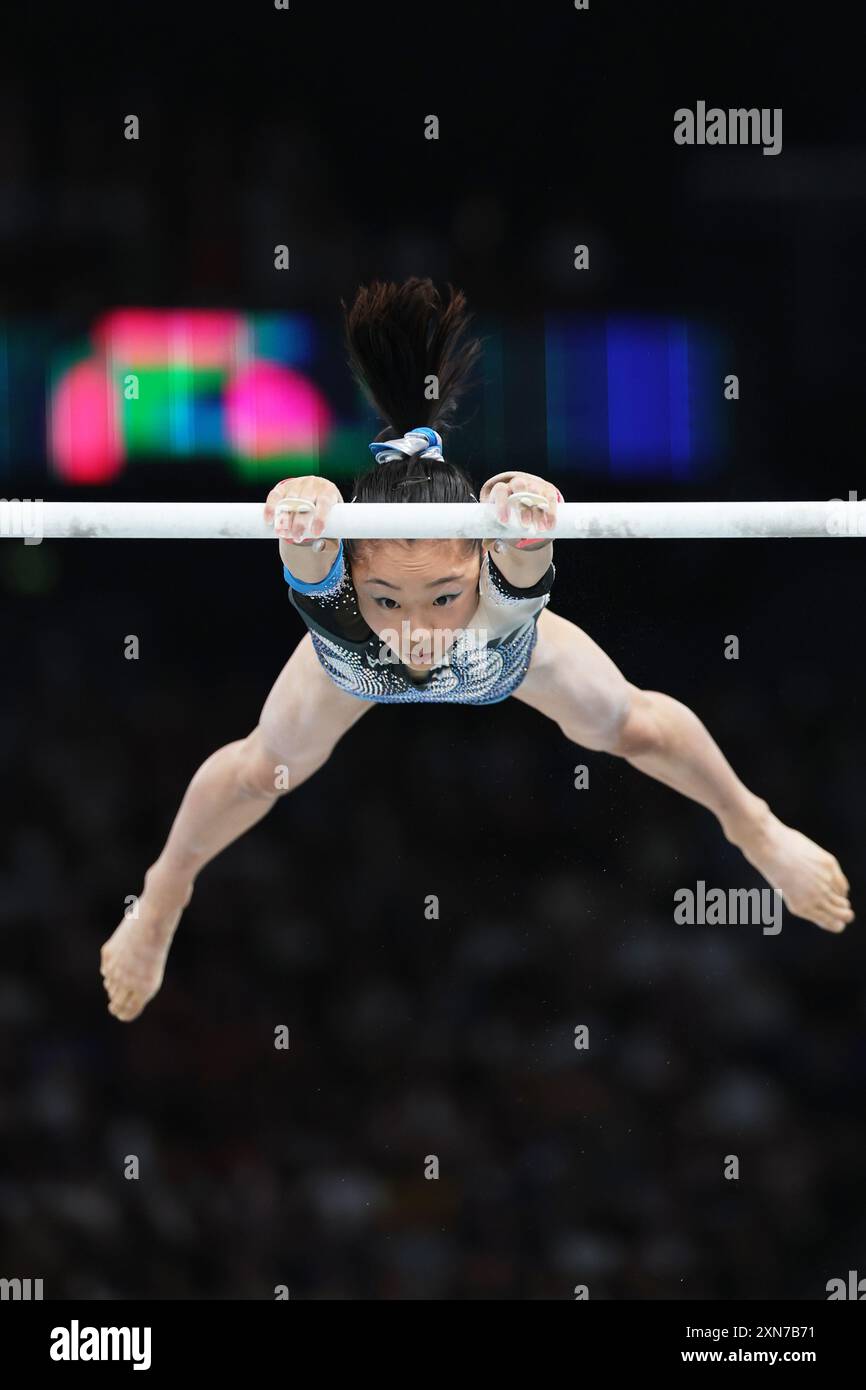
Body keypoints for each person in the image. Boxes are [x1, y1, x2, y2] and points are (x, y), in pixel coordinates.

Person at [100, 278, 853, 1022]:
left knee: (634, 727)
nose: (415, 624)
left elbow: (523, 542)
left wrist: (525, 514)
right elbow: (311, 526)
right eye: (387, 599)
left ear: (483, 569)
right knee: (263, 768)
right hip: (354, 670)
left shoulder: (506, 581)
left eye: (442, 595)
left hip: (502, 653)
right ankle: (164, 895)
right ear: (348, 575)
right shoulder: (330, 588)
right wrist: (308, 500)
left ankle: (755, 827)